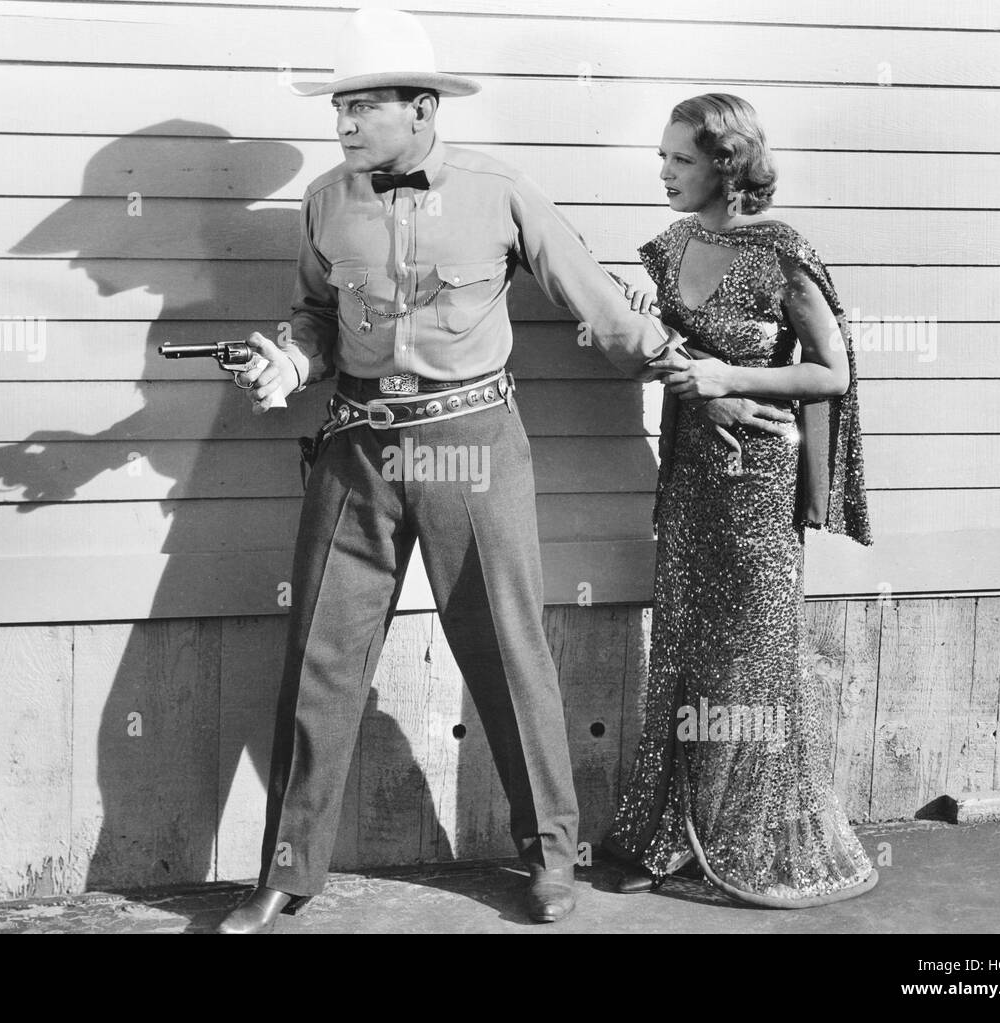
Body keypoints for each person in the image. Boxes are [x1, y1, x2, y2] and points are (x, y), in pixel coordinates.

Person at [217, 8, 677, 932]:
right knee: (319, 659)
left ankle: (551, 858)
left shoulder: (497, 189)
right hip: (354, 450)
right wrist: (291, 362)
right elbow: (312, 314)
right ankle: (288, 871)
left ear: (421, 107)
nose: (342, 124)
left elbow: (596, 301)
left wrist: (693, 369)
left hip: (469, 443)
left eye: (361, 106)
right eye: (337, 107)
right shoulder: (324, 200)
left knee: (508, 652)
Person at [602, 93, 879, 907]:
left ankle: (748, 842)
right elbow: (671, 345)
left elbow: (831, 371)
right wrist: (698, 385)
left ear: (726, 164)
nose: (663, 173)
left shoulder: (782, 252)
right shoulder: (674, 244)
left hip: (760, 482)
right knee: (686, 642)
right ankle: (674, 836)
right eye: (661, 158)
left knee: (750, 658)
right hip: (689, 473)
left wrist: (731, 379)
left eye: (679, 159)